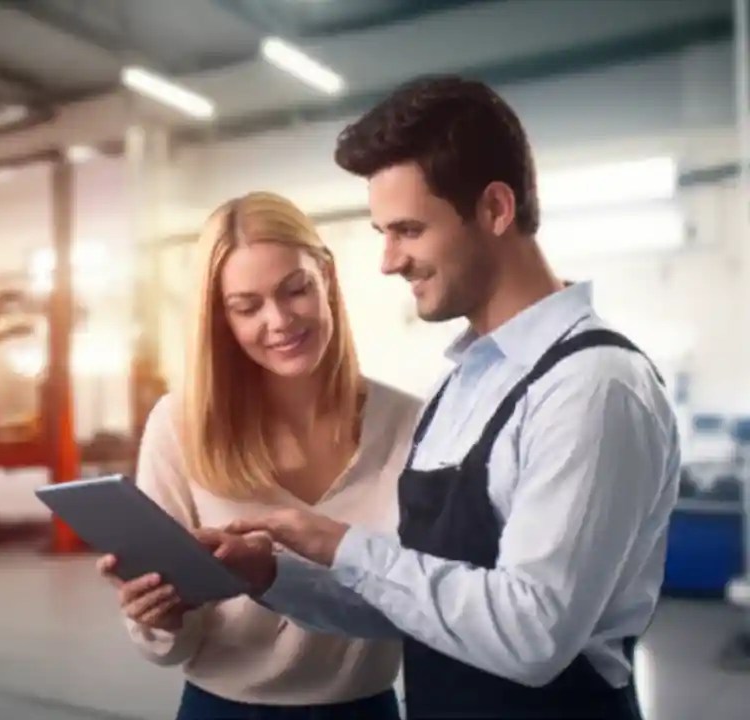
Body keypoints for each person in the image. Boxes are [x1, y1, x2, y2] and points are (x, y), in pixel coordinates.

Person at [207, 75, 679, 720]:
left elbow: (532, 634)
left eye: (407, 230)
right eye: (382, 232)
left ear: (495, 210)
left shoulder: (592, 387)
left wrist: (339, 542)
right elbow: (416, 600)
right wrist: (272, 576)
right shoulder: (462, 384)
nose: (388, 260)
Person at [97, 192, 422, 719]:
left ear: (327, 277)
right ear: (220, 318)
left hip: (365, 708)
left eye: (296, 290)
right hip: (224, 709)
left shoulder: (413, 423)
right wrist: (156, 616)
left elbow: (428, 600)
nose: (279, 321)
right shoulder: (180, 426)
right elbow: (169, 647)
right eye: (247, 307)